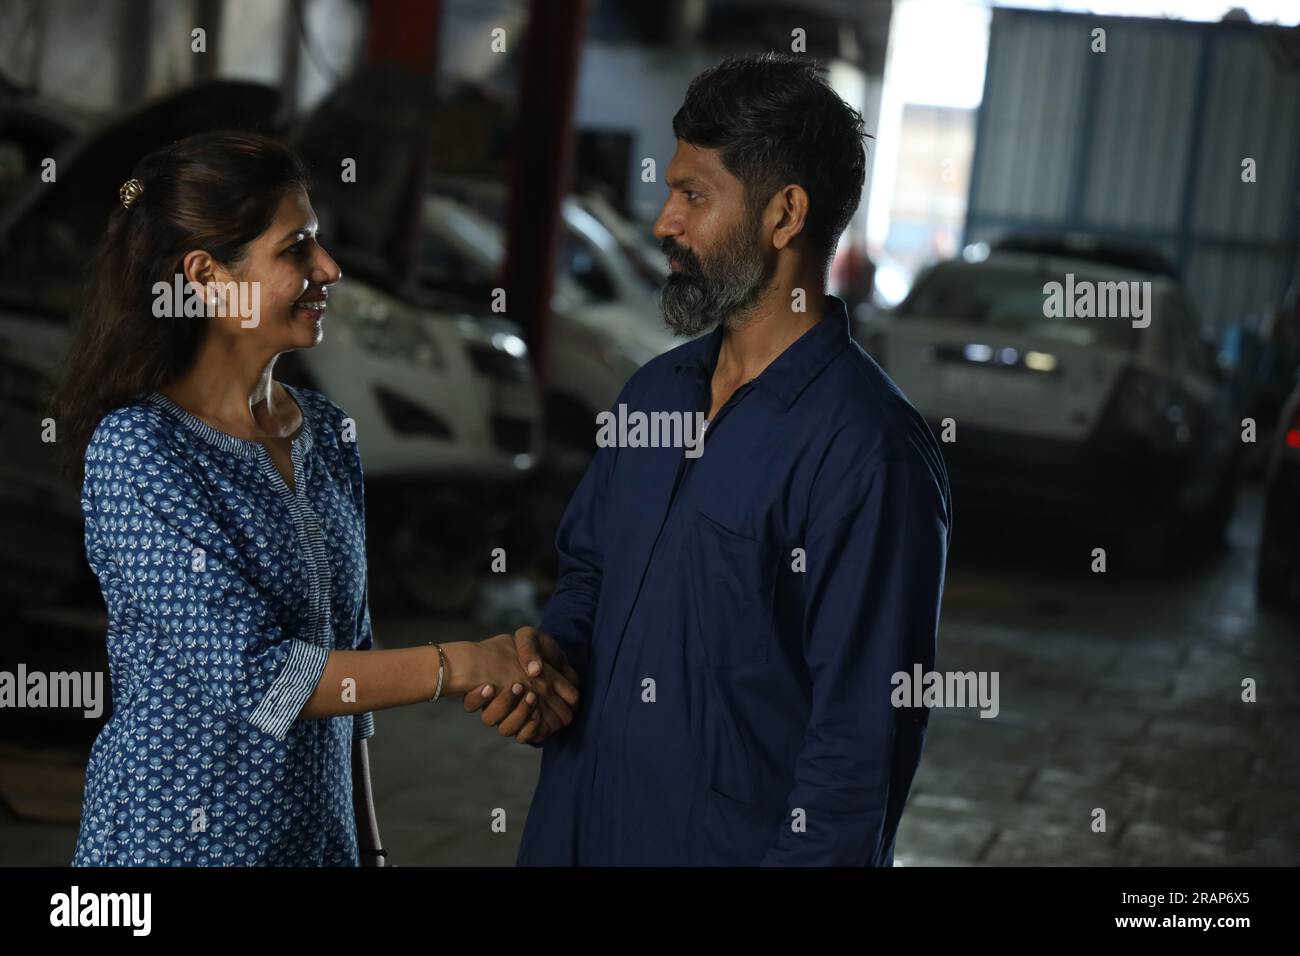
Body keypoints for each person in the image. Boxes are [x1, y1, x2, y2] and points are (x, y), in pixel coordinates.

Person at [468, 53, 952, 865]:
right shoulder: (656, 394)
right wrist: (551, 668)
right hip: (575, 834)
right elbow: (589, 569)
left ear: (784, 214)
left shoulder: (868, 455)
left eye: (694, 195)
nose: (664, 222)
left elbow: (857, 748)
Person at [55, 130, 578, 866]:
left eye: (320, 243)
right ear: (207, 276)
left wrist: (367, 846)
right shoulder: (141, 452)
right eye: (296, 248)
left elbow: (351, 653)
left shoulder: (326, 431)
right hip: (174, 845)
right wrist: (463, 664)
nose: (329, 269)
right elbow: (265, 678)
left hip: (313, 844)